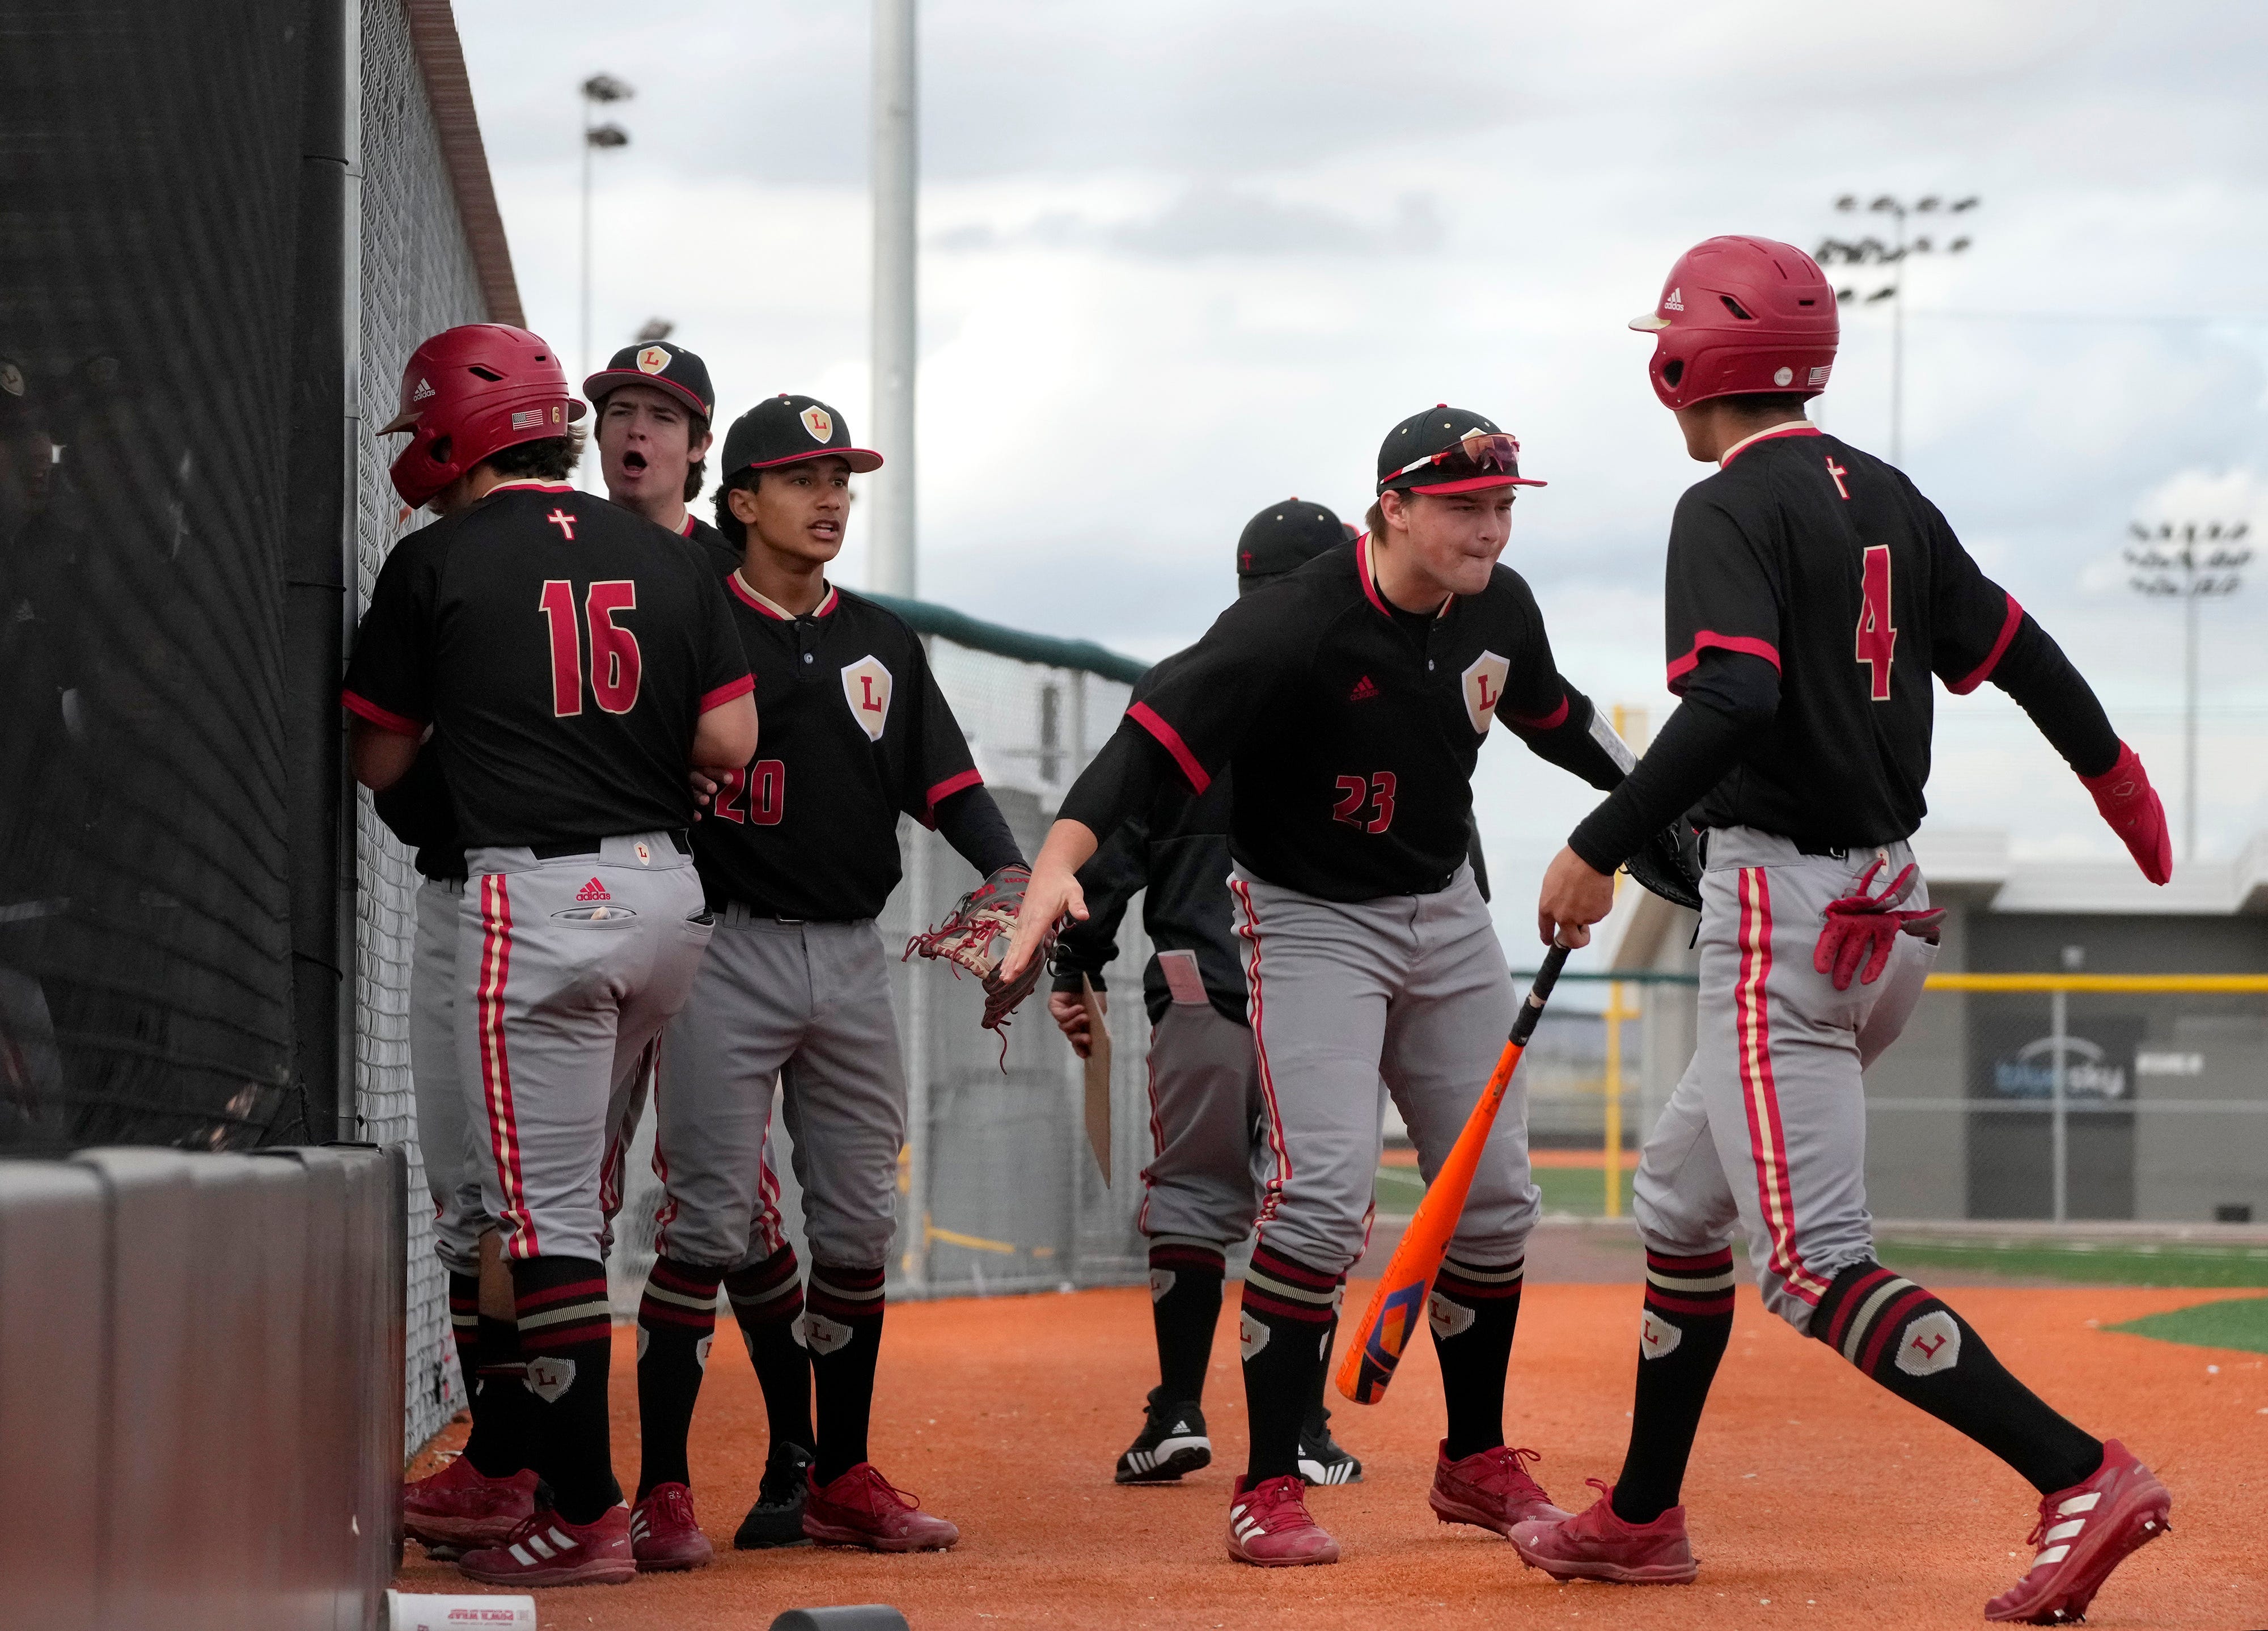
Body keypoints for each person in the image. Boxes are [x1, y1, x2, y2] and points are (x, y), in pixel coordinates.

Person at [1516, 235, 2174, 1626]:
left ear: (1695, 360)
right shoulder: (1881, 492)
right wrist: (2115, 775)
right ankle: (1640, 1514)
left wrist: (1595, 843)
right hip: (1884, 909)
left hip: (1783, 920)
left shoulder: (1725, 507)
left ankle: (2079, 1471)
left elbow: (1734, 701)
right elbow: (2017, 644)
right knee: (1680, 1203)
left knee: (1813, 1266)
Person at [998, 408, 1643, 1567]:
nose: (1489, 526)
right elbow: (1145, 744)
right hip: (1304, 918)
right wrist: (1056, 865)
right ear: (1390, 505)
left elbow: (1558, 717)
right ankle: (1265, 1484)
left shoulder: (1499, 604)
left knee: (1493, 1202)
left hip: (1442, 909)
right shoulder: (1293, 622)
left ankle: (1473, 1458)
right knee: (1321, 1192)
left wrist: (1649, 818)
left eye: (1501, 505)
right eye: (1461, 505)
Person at [343, 322, 758, 1588]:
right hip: (664, 895)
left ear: (461, 430)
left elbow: (381, 762)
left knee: (537, 1213)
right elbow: (731, 743)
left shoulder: (437, 558)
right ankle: (518, 1467)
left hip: (525, 902)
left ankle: (582, 1507)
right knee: (526, 1198)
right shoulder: (668, 550)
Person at [624, 393, 1023, 1569]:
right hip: (723, 946)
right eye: (802, 478)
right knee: (705, 1218)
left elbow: (942, 780)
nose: (830, 496)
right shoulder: (693, 620)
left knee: (856, 1222)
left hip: (854, 954)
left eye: (840, 476)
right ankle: (660, 1488)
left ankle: (838, 1475)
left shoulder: (881, 639)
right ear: (739, 501)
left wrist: (1007, 869)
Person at [1046, 497, 1364, 1490]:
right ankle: (1305, 1427)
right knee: (1310, 1200)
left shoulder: (1189, 684)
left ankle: (1179, 1410)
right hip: (1333, 992)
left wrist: (1074, 965)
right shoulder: (1372, 683)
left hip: (1201, 983)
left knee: (1190, 1194)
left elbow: (1115, 844)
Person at [582, 339, 738, 574]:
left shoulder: (729, 569)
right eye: (621, 412)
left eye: (663, 417)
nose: (637, 429)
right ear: (599, 433)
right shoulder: (557, 547)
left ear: (698, 445)